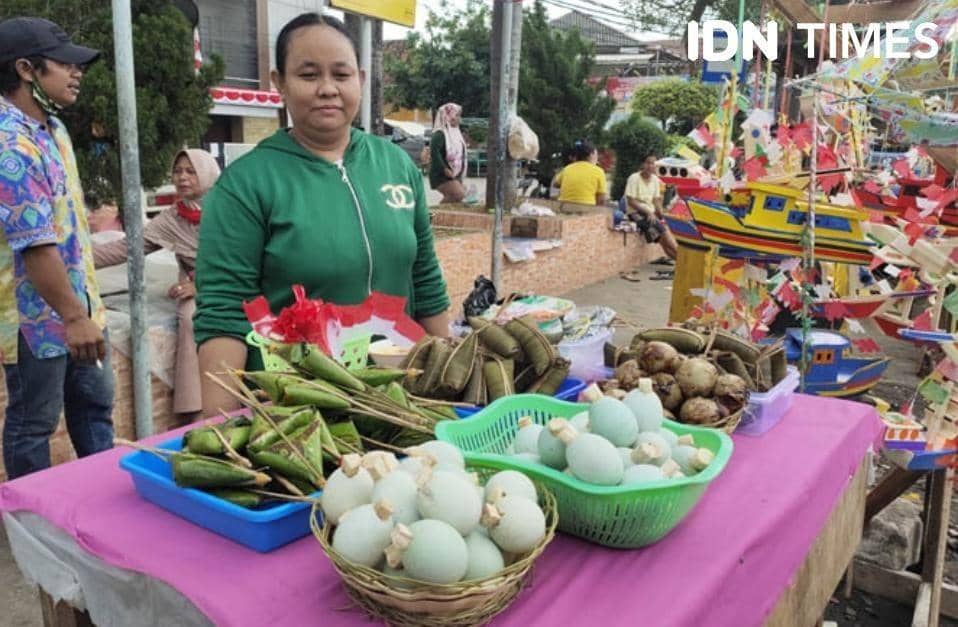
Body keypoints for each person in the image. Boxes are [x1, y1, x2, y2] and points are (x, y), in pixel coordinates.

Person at [194, 13, 451, 418]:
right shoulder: (245, 184)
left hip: (400, 399)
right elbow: (223, 311)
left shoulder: (395, 165)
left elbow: (425, 278)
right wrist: (220, 422)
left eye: (341, 74)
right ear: (279, 83)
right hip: (299, 411)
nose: (328, 88)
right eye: (308, 74)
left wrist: (449, 380)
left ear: (360, 80)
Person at [0, 17, 113, 479]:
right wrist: (73, 318)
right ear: (26, 69)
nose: (77, 72)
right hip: (36, 320)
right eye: (64, 63)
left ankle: (102, 501)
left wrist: (84, 312)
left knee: (94, 410)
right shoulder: (10, 145)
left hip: (80, 307)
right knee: (34, 425)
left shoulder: (54, 130)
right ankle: (31, 517)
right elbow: (35, 248)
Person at [93, 149, 221, 421]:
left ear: (208, 174)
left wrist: (202, 285)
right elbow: (127, 248)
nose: (182, 177)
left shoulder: (231, 209)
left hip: (236, 280)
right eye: (178, 171)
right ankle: (193, 409)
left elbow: (247, 254)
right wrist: (74, 259)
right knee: (189, 315)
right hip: (193, 285)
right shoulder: (172, 218)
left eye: (191, 171)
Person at [624, 154, 679, 261]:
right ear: (643, 164)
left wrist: (661, 213)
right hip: (636, 213)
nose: (650, 166)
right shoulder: (634, 178)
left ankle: (682, 265)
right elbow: (631, 201)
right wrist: (648, 212)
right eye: (648, 163)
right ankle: (686, 263)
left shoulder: (655, 180)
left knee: (665, 243)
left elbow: (656, 200)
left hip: (651, 214)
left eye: (653, 163)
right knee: (668, 239)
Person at [429, 102, 467, 203]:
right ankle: (438, 211)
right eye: (456, 116)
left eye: (459, 116)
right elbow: (434, 153)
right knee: (458, 194)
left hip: (454, 174)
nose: (459, 119)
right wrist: (445, 169)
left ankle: (445, 211)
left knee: (462, 195)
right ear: (448, 117)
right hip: (441, 175)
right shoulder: (440, 134)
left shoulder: (456, 133)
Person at [553, 140, 607, 206]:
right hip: (587, 208)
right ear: (591, 155)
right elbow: (601, 199)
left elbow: (555, 184)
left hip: (564, 206)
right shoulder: (598, 171)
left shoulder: (567, 169)